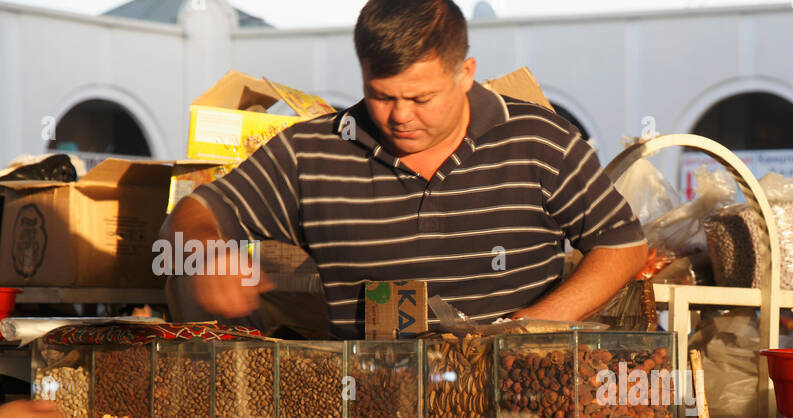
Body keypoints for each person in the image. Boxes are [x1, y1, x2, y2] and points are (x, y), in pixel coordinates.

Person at [162, 0, 647, 338]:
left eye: (421, 98)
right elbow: (195, 212)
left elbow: (622, 245)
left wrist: (534, 325)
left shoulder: (537, 140)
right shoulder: (313, 153)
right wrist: (206, 253)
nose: (400, 116)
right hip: (370, 409)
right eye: (381, 95)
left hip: (514, 398)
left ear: (466, 73)